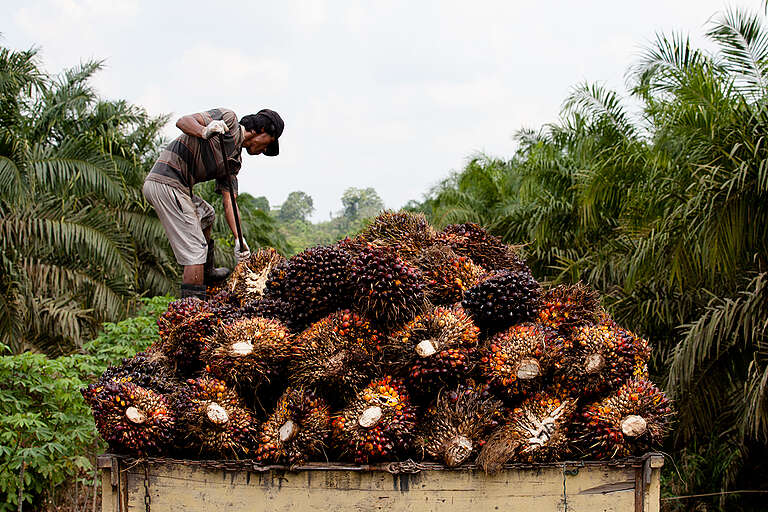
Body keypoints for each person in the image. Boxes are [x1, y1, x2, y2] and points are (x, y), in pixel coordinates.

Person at [142, 107, 284, 299]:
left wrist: (238, 239)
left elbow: (229, 202)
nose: (264, 151)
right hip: (165, 182)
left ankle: (207, 271)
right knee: (195, 250)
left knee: (207, 215)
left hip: (181, 188)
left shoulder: (233, 162)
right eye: (269, 144)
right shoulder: (229, 120)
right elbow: (182, 121)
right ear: (263, 130)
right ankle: (191, 309)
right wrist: (205, 130)